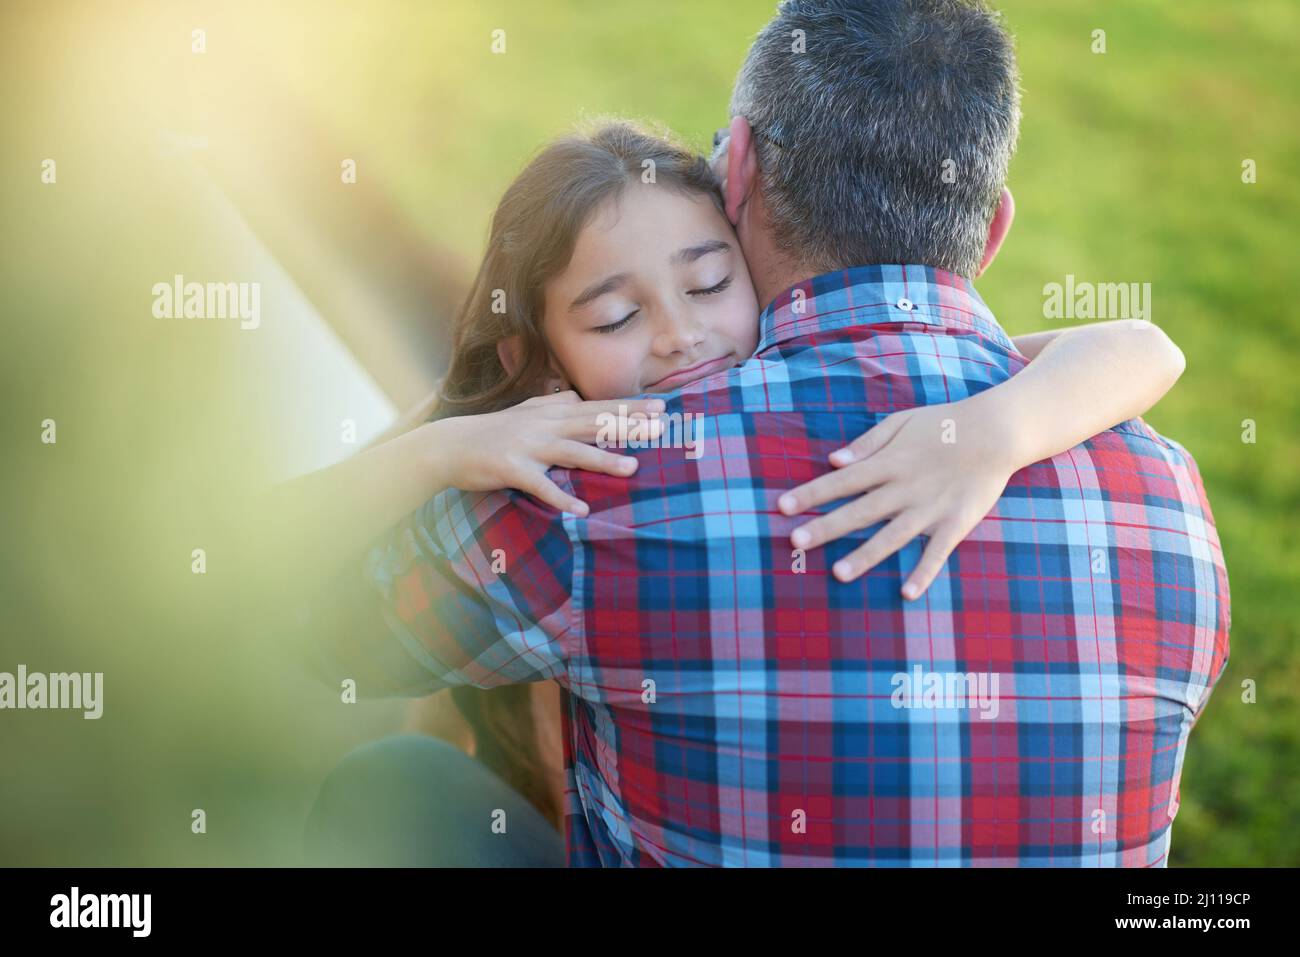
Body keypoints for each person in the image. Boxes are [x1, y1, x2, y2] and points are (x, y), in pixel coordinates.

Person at [290, 0, 1229, 866]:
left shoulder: (599, 484)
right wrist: (1001, 422)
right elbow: (1139, 346)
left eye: (704, 284)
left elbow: (312, 640)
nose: (679, 335)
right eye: (619, 315)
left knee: (396, 781)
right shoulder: (1169, 504)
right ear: (991, 234)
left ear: (735, 170)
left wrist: (458, 425)